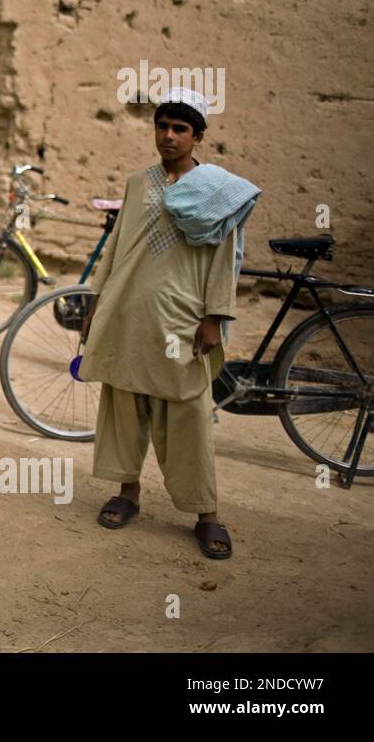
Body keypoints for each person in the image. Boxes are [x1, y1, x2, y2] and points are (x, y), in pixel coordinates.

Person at [79, 87, 259, 560]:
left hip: (183, 318)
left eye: (180, 129)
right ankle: (127, 491)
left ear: (198, 136)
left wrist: (214, 317)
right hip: (129, 312)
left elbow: (225, 260)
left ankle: (207, 513)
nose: (169, 136)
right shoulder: (139, 182)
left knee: (190, 414)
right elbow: (117, 244)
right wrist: (97, 300)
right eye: (162, 126)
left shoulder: (218, 191)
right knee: (124, 401)